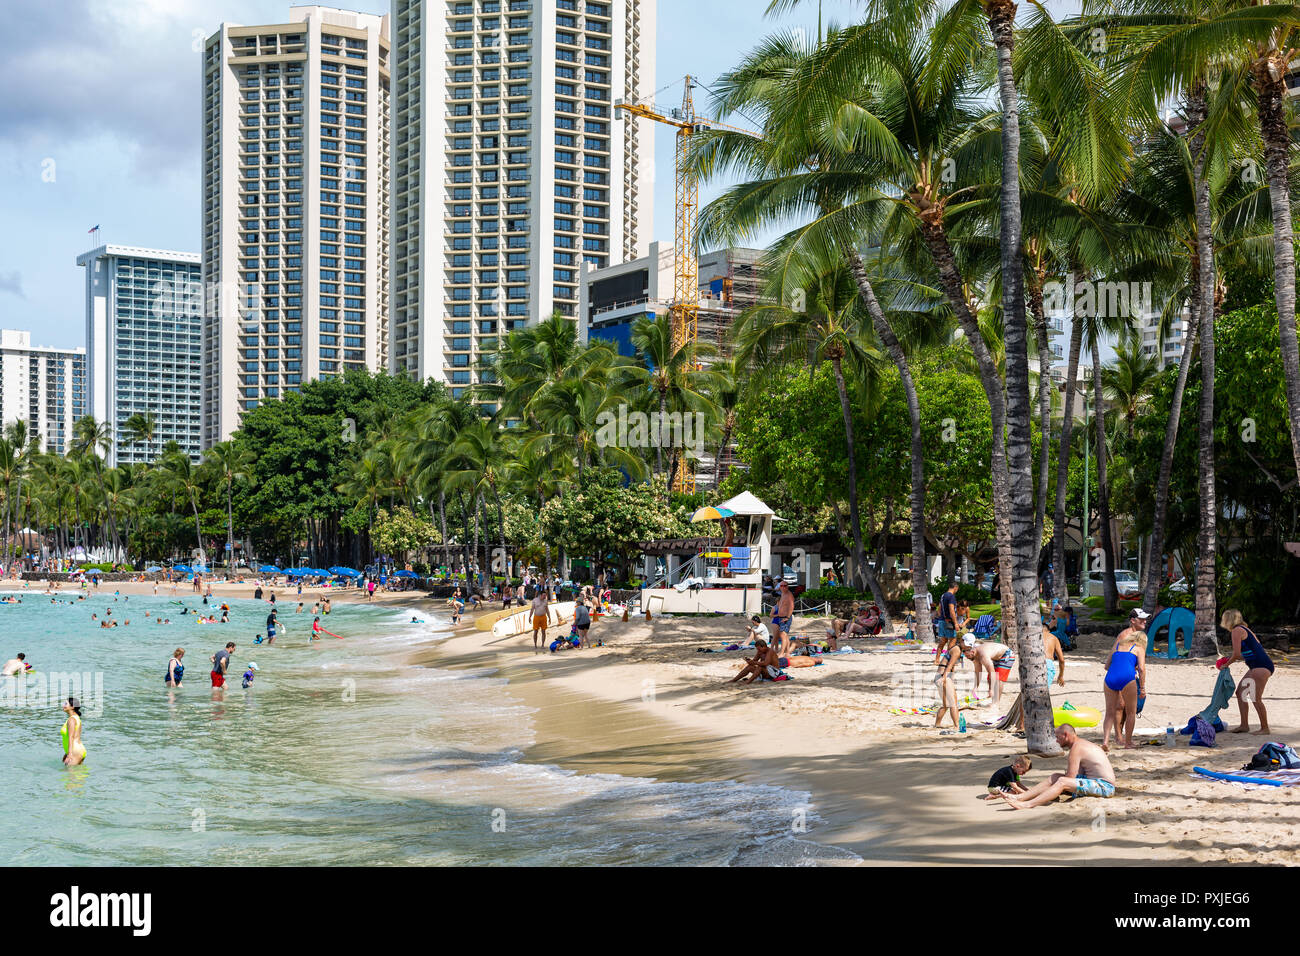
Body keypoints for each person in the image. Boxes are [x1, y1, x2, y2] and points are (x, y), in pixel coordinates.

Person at [995, 724, 1116, 808]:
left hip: (1104, 786)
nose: (1056, 741)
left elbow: (1070, 778)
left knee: (1062, 781)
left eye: (1057, 738)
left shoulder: (1077, 748)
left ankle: (1028, 804)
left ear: (1065, 735)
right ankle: (1021, 797)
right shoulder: (1081, 744)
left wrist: (1053, 789)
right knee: (1055, 777)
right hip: (1096, 783)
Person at [1220, 609, 1274, 734]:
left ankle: (1265, 728)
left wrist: (1226, 664)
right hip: (1259, 666)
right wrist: (1229, 660)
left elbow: (1237, 654)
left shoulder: (1236, 631)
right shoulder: (1245, 629)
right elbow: (1248, 653)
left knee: (1255, 698)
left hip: (1260, 666)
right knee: (1241, 693)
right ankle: (1244, 725)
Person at [1102, 609, 1148, 751]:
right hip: (1127, 676)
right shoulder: (1137, 644)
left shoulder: (1119, 644)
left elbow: (1107, 665)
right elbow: (1141, 669)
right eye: (1141, 619)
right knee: (1130, 712)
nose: (1144, 621)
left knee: (1109, 711)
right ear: (1133, 620)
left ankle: (1105, 741)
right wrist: (1142, 688)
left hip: (1110, 677)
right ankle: (1127, 742)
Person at [963, 639, 1014, 707]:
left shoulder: (983, 655)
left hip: (1007, 655)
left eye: (968, 656)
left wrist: (991, 689)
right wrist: (975, 687)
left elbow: (991, 672)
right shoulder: (975, 656)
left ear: (972, 652)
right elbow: (978, 673)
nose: (967, 658)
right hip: (996, 657)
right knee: (989, 679)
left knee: (998, 679)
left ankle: (996, 703)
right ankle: (994, 701)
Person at [61, 697, 87, 766]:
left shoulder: (71, 720)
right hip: (78, 750)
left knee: (70, 776)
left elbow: (71, 737)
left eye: (66, 704)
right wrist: (66, 753)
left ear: (72, 707)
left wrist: (69, 754)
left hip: (74, 751)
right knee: (78, 775)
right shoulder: (76, 718)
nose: (63, 705)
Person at [771, 581, 795, 657]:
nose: (783, 587)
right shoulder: (782, 594)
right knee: (785, 636)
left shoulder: (789, 595)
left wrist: (787, 617)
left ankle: (781, 653)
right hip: (781, 617)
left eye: (785, 585)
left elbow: (791, 607)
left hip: (785, 618)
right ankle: (787, 652)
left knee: (783, 635)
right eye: (782, 586)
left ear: (788, 586)